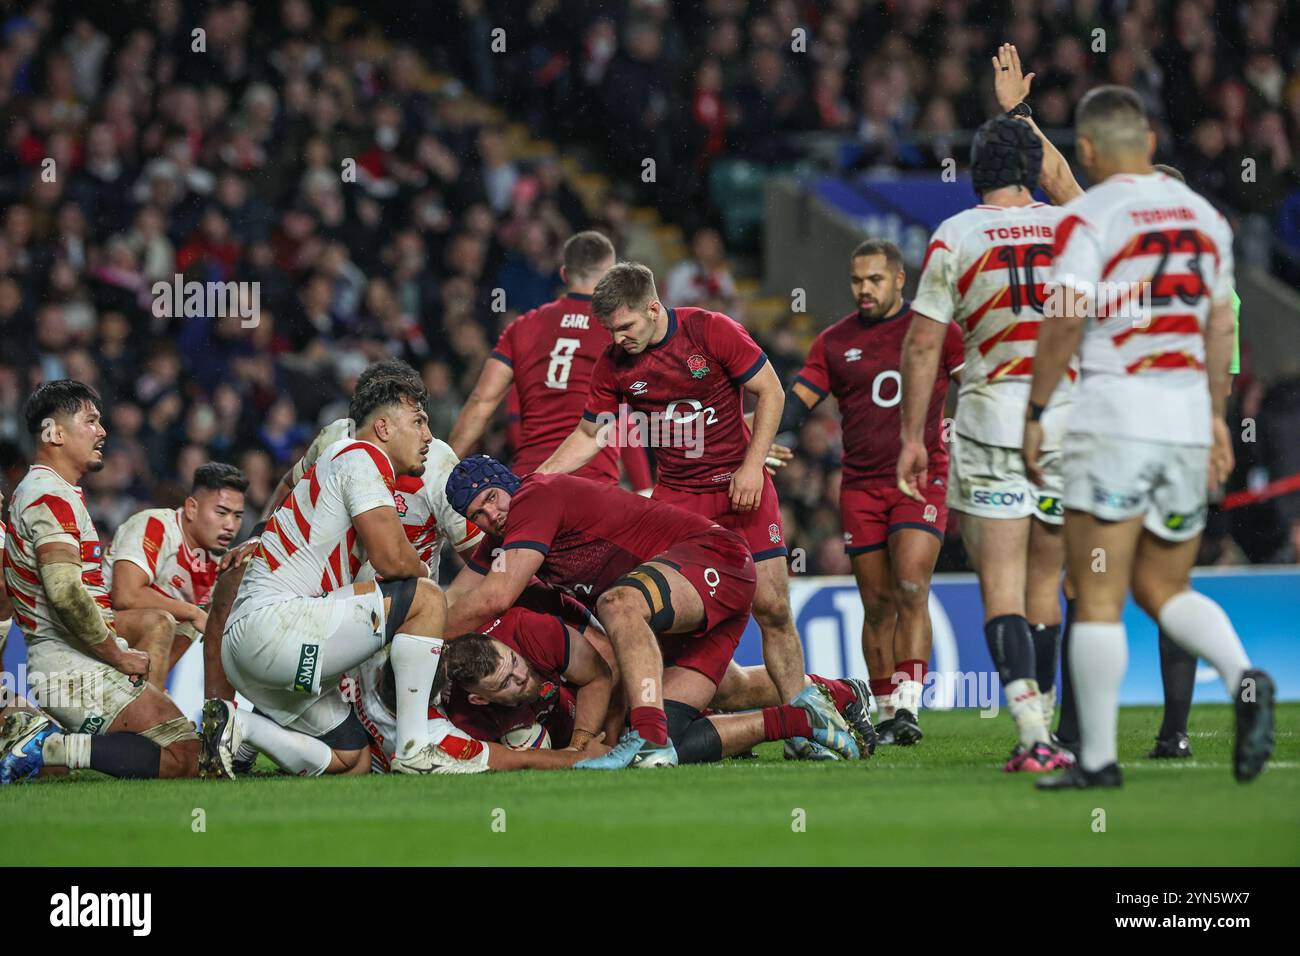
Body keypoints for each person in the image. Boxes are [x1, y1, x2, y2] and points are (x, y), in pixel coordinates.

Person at [1022, 85, 1274, 789]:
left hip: (1115, 420)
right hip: (1187, 425)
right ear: (1153, 145)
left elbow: (1066, 320)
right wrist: (1218, 418)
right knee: (1166, 586)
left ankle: (1097, 761)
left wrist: (1038, 411)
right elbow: (1221, 325)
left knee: (1096, 590)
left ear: (1092, 151)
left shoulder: (1091, 215)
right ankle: (1244, 674)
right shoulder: (1207, 219)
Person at [535, 262, 817, 756]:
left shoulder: (709, 330)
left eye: (627, 326)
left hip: (739, 488)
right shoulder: (615, 364)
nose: (619, 338)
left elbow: (771, 390)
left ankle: (803, 726)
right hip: (677, 500)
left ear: (652, 306)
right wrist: (535, 484)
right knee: (669, 621)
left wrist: (752, 466)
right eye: (611, 330)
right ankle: (703, 715)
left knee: (772, 609)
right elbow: (589, 434)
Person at [442, 456, 860, 768]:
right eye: (477, 514)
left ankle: (646, 735)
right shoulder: (504, 535)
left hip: (714, 558)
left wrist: (412, 639)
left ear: (509, 484)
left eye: (492, 498)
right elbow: (454, 600)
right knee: (718, 700)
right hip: (669, 603)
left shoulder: (535, 496)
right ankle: (824, 706)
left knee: (617, 605)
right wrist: (419, 630)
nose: (491, 515)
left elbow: (494, 597)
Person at [897, 115, 1074, 773]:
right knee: (1045, 587)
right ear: (1032, 169)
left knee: (999, 586)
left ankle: (1033, 736)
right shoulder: (1069, 227)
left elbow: (921, 345)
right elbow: (1074, 189)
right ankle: (1049, 732)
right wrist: (1026, 119)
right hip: (1065, 426)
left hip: (993, 424)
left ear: (975, 171)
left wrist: (912, 438)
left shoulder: (956, 236)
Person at [199, 371, 457, 778]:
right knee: (426, 597)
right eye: (419, 422)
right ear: (384, 427)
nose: (428, 436)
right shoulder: (360, 457)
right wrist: (422, 568)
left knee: (352, 761)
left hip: (252, 654)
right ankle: (414, 749)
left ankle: (243, 728)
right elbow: (392, 560)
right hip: (277, 629)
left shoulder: (338, 460)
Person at [783, 240, 964, 746]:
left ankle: (907, 706)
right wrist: (768, 436)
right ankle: (886, 713)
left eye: (875, 280)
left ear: (900, 280)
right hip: (860, 486)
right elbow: (798, 401)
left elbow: (975, 388)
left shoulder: (937, 332)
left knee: (910, 584)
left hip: (921, 479)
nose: (864, 289)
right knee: (877, 601)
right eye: (857, 280)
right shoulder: (835, 342)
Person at [0, 381, 200, 783]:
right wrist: (118, 655)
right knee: (182, 754)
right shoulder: (47, 495)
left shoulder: (56, 492)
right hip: (69, 666)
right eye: (90, 421)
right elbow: (65, 593)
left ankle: (45, 749)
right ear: (54, 433)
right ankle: (45, 747)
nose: (102, 431)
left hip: (69, 660)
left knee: (184, 751)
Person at [447, 230, 651, 492]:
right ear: (611, 278)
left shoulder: (522, 327)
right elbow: (633, 413)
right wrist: (645, 487)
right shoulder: (618, 328)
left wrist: (443, 476)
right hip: (593, 487)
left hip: (531, 482)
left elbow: (481, 402)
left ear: (564, 274)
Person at [106, 462, 247, 688]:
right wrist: (191, 612)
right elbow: (126, 596)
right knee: (168, 621)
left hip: (134, 660)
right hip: (95, 631)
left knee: (189, 622)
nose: (230, 525)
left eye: (237, 516)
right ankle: (147, 704)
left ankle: (148, 696)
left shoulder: (218, 565)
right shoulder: (155, 525)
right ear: (192, 508)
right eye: (221, 513)